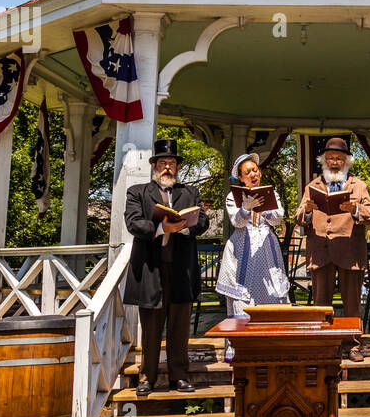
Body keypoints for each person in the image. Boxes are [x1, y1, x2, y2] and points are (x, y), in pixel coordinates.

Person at [123, 138, 210, 396]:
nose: (168, 167)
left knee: (180, 326)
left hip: (182, 269)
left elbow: (202, 222)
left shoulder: (190, 193)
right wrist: (162, 227)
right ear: (154, 166)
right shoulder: (138, 192)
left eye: (172, 163)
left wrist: (184, 227)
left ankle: (179, 376)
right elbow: (133, 223)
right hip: (151, 268)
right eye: (163, 163)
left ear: (178, 167)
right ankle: (147, 378)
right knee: (151, 327)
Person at [293, 137, 370, 362]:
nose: (335, 162)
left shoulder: (359, 186)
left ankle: (353, 345)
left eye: (339, 158)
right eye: (330, 158)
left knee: (352, 304)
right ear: (323, 161)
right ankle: (324, 345)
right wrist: (307, 210)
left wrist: (355, 209)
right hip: (320, 251)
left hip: (350, 252)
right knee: (321, 304)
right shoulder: (312, 186)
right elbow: (298, 216)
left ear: (347, 161)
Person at [216, 152, 288, 346]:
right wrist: (246, 207)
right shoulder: (233, 197)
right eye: (247, 173)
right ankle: (241, 348)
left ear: (260, 172)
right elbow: (237, 222)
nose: (252, 174)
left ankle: (270, 347)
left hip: (266, 247)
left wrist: (265, 206)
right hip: (241, 248)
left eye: (255, 170)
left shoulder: (271, 193)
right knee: (242, 296)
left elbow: (278, 218)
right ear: (240, 178)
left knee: (271, 292)